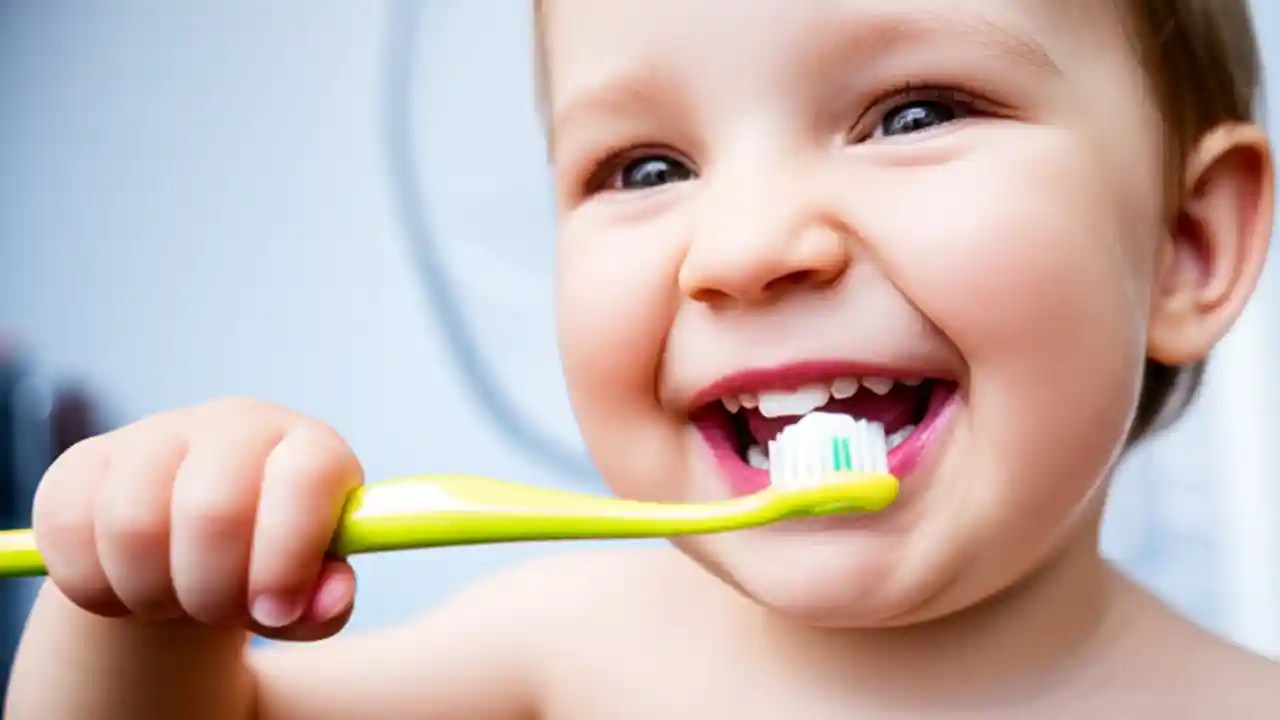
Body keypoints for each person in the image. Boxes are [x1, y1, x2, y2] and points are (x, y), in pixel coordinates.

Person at [8, 1, 1278, 717]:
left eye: (912, 114)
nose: (744, 247)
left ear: (1181, 244)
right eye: (646, 168)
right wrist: (138, 614)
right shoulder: (555, 657)